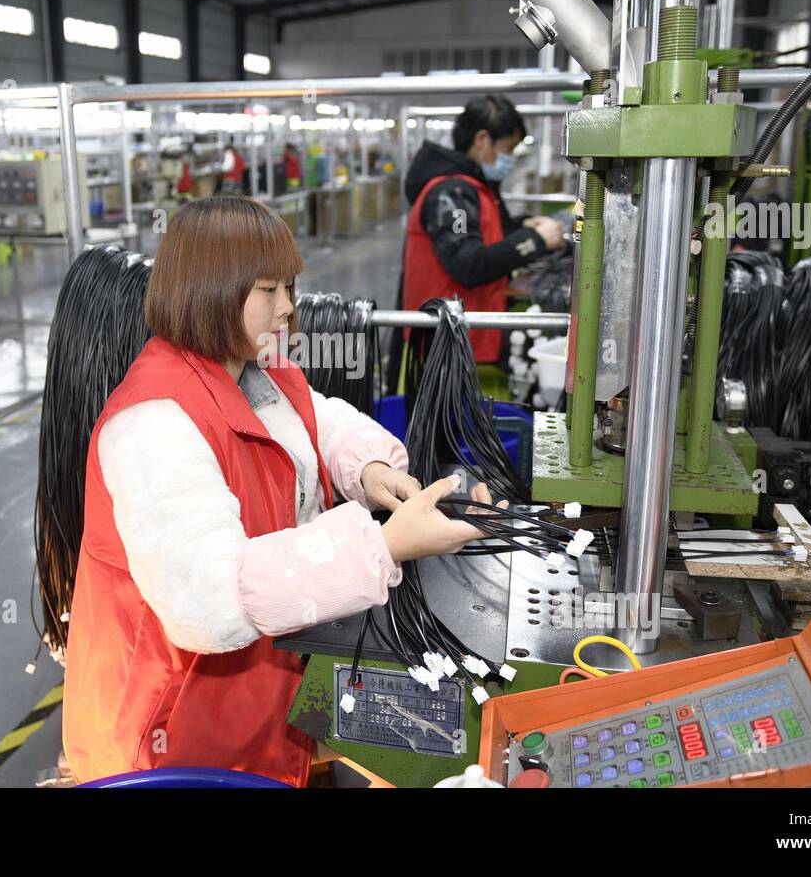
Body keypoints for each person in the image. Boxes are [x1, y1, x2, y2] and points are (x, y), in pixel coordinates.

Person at [50, 195, 501, 786]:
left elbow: (319, 418)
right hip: (168, 736)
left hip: (256, 705)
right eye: (268, 290)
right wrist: (383, 546)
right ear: (210, 288)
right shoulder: (154, 423)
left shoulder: (253, 367)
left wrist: (367, 468)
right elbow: (209, 605)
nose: (288, 307)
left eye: (289, 286)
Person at [400, 94, 566, 365]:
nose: (510, 158)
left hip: (463, 337)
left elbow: (475, 232)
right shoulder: (452, 195)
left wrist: (520, 226)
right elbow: (467, 262)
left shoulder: (472, 186)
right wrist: (534, 240)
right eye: (508, 148)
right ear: (481, 140)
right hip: (445, 348)